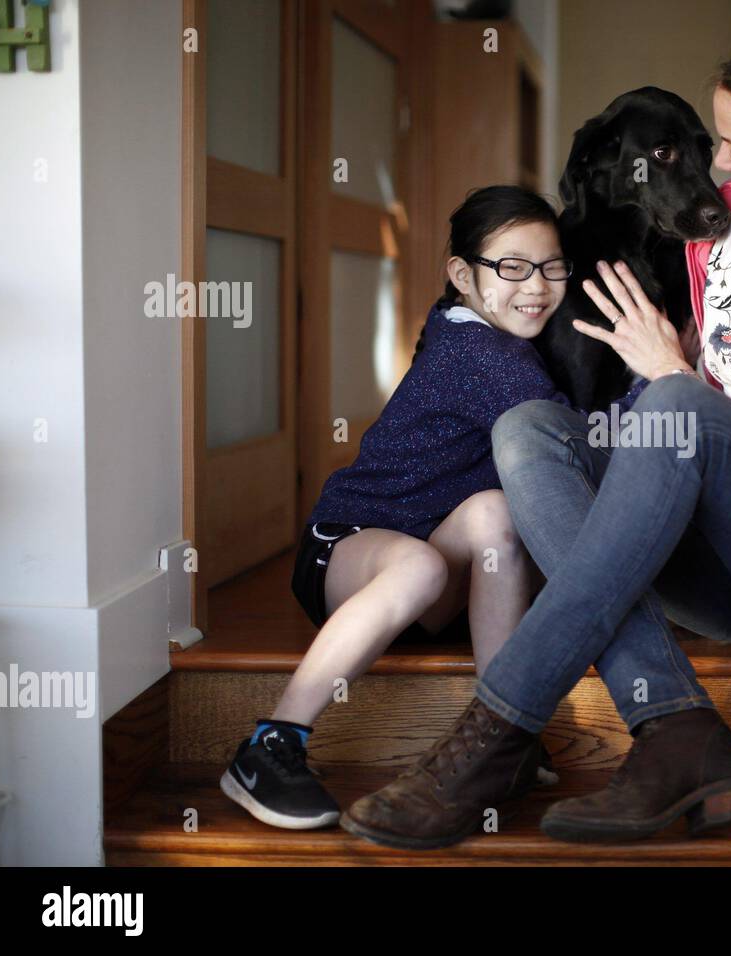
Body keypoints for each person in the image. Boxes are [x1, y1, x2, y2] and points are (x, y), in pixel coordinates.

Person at [341, 9, 731, 848]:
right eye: (716, 141)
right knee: (532, 427)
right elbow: (622, 219)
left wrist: (672, 372)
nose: (719, 167)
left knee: (670, 407)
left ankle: (493, 735)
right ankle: (677, 729)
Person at [220, 185, 647, 830]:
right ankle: (271, 743)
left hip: (440, 567)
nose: (536, 286)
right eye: (511, 267)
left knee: (494, 516)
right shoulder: (483, 355)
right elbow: (577, 447)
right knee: (420, 563)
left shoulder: (458, 321)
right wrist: (659, 372)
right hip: (348, 547)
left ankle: (506, 735)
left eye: (551, 266)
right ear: (462, 274)